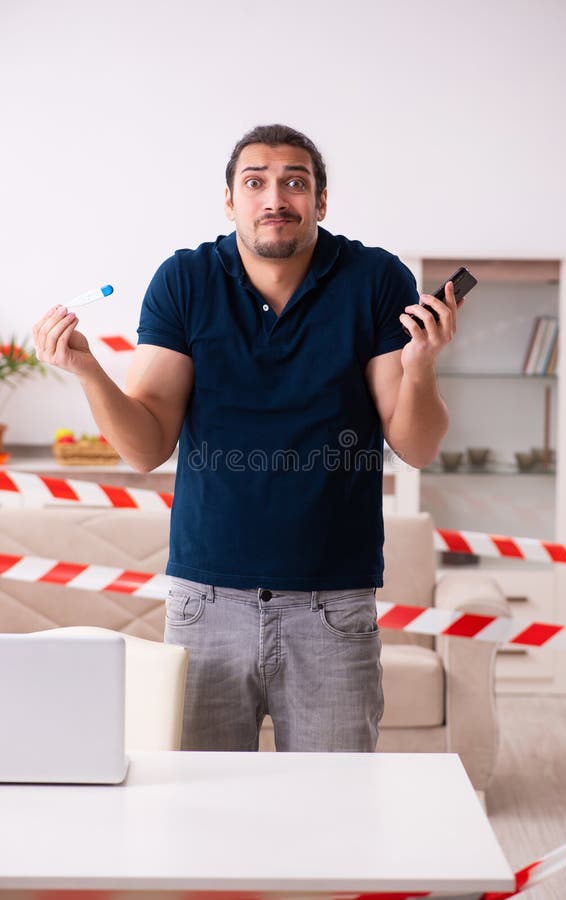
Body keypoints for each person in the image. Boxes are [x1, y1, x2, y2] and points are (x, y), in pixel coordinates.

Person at [33, 123, 458, 753]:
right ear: (230, 200)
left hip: (333, 606)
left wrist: (420, 366)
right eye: (255, 182)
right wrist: (88, 370)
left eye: (295, 182)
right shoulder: (185, 281)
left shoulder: (374, 279)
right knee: (199, 807)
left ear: (321, 201)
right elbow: (146, 448)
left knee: (331, 808)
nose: (275, 198)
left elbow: (416, 446)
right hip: (206, 605)